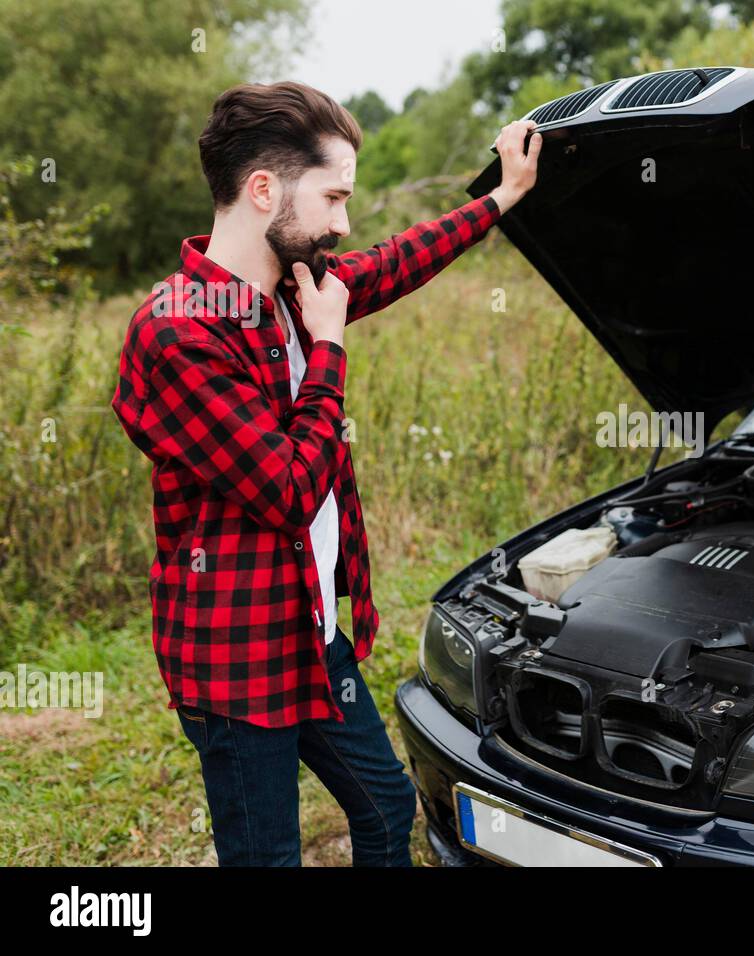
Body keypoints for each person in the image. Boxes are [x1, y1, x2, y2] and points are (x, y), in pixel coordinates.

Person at [110, 80, 540, 865]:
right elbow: (289, 489)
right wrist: (330, 349)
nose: (344, 223)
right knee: (266, 857)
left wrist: (504, 197)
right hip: (237, 664)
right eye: (334, 197)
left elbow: (399, 261)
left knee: (383, 810)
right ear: (264, 189)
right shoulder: (177, 334)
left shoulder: (294, 288)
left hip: (312, 633)